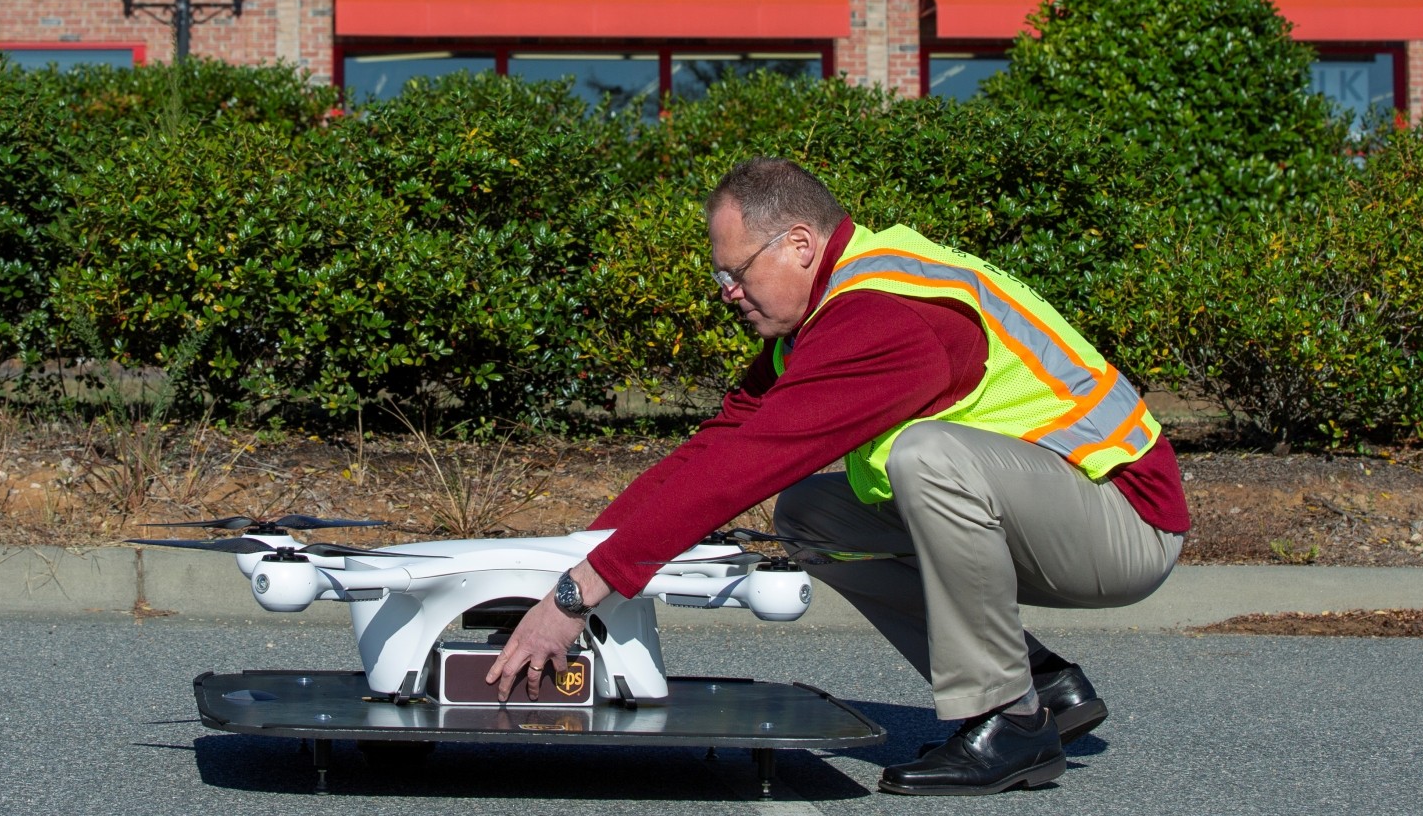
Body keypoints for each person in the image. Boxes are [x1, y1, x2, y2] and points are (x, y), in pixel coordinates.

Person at [487, 157, 1188, 795]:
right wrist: (573, 562)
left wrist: (579, 596)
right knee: (811, 513)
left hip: (1122, 521)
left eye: (737, 272)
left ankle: (1011, 723)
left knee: (929, 460)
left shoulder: (883, 316)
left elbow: (749, 466)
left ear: (799, 244)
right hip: (1044, 512)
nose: (727, 292)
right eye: (719, 276)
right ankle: (1041, 686)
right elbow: (719, 447)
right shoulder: (821, 315)